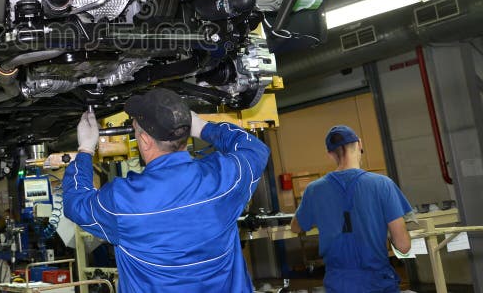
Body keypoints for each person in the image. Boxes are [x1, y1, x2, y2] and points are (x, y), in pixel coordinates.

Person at [62, 88, 270, 292]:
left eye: (135, 128)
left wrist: (86, 149)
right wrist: (204, 128)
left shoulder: (122, 202)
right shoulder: (224, 179)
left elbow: (75, 203)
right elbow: (254, 149)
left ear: (144, 140)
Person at [290, 125, 412, 293]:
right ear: (360, 144)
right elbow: (403, 246)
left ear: (330, 154)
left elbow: (296, 227)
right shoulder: (383, 185)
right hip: (378, 282)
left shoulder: (314, 190)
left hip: (338, 283)